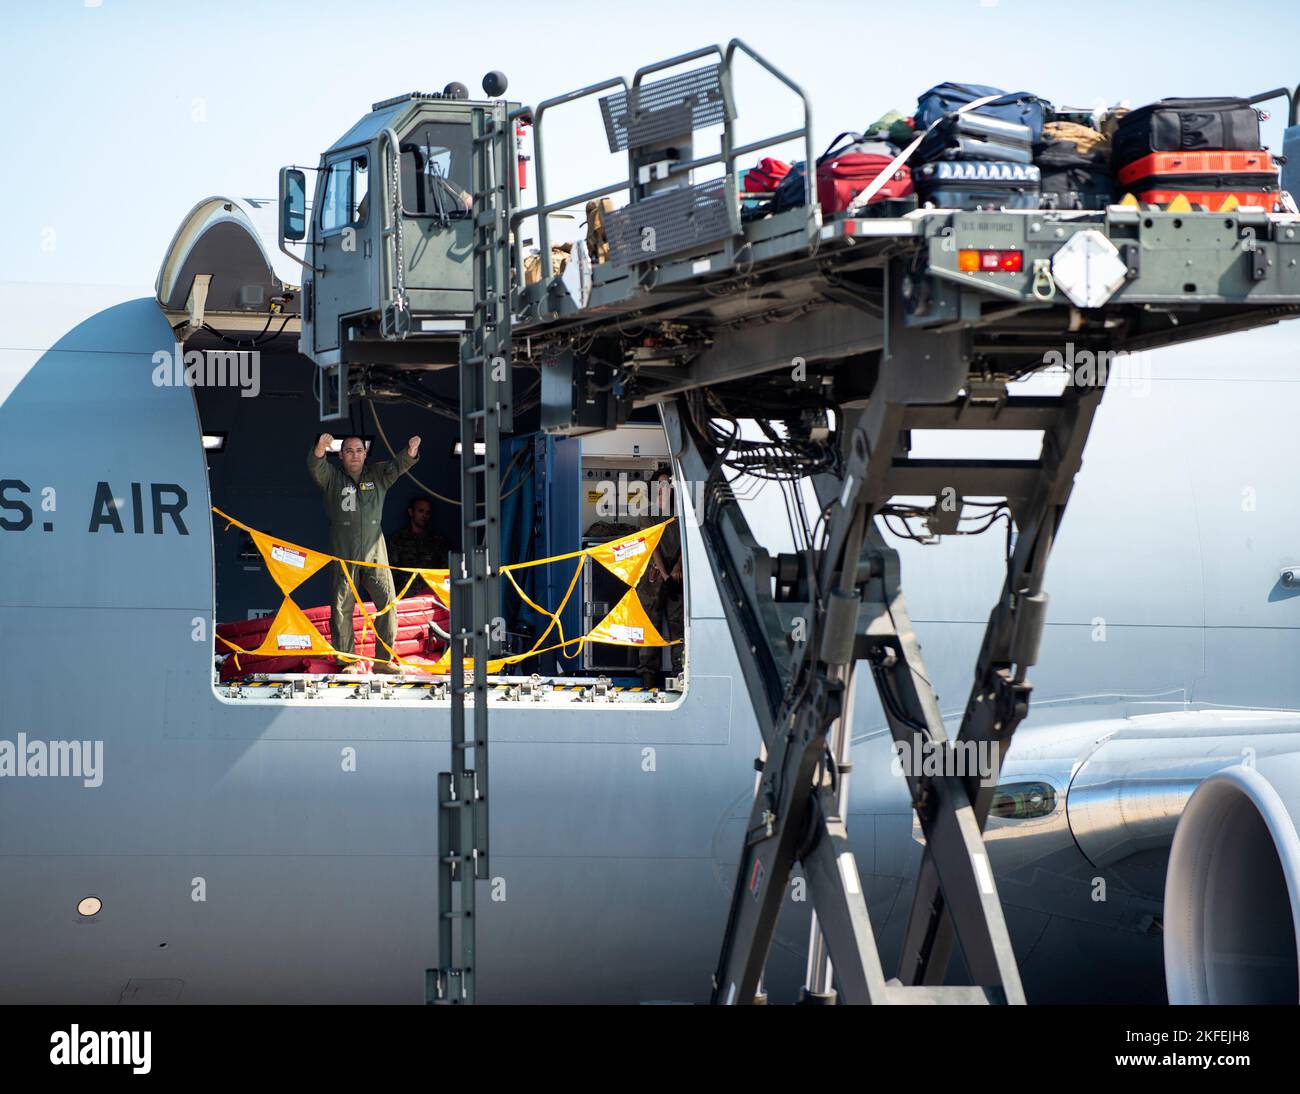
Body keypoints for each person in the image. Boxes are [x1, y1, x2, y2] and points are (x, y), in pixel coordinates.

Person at [308, 432, 420, 673]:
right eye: (349, 451)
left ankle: (383, 661)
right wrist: (320, 447)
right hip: (344, 552)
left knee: (387, 604)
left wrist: (410, 452)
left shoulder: (377, 475)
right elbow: (316, 466)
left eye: (359, 450)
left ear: (365, 453)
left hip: (374, 553)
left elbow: (397, 467)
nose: (355, 455)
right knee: (341, 607)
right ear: (340, 455)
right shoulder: (333, 479)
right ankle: (347, 661)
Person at [637, 468, 684, 689]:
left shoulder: (680, 512)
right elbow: (651, 543)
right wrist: (665, 573)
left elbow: (687, 540)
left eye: (668, 484)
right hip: (654, 578)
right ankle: (648, 678)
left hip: (677, 576)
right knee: (649, 626)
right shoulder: (648, 511)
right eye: (660, 484)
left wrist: (677, 569)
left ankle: (680, 674)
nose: (664, 488)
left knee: (679, 628)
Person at [387, 496, 452, 597]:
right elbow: (390, 572)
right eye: (420, 511)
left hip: (432, 597)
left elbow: (446, 570)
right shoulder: (398, 539)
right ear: (411, 512)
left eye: (427, 512)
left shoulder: (437, 540)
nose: (424, 515)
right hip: (405, 597)